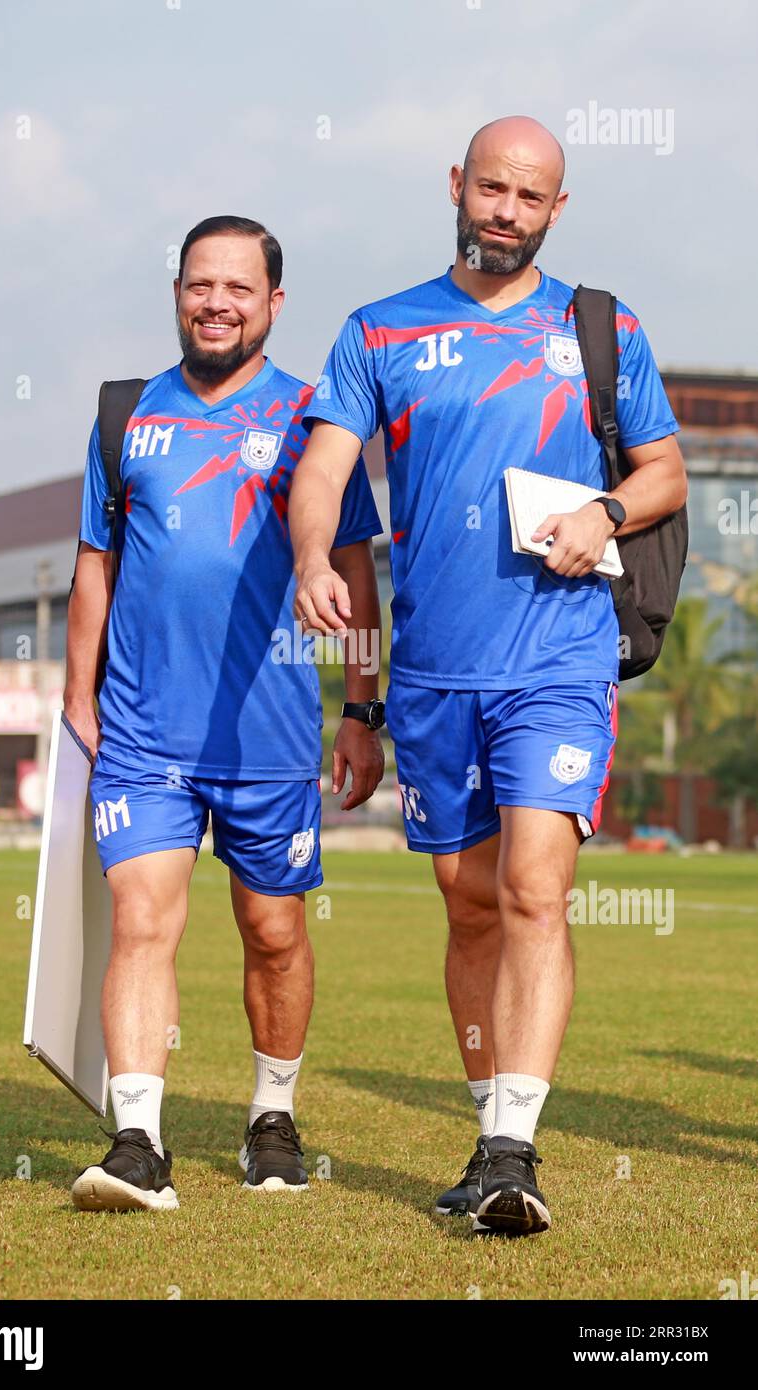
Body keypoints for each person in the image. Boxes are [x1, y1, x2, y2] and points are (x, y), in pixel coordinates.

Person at [289, 117, 687, 1234]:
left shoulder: (597, 328)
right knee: (466, 905)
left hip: (557, 660)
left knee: (528, 890)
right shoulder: (379, 330)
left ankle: (512, 1148)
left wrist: (602, 508)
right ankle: (487, 1134)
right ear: (455, 184)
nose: (505, 210)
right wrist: (316, 558)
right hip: (429, 673)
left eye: (529, 196)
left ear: (556, 209)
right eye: (490, 188)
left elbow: (661, 471)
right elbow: (322, 468)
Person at [64, 215, 384, 1211]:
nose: (216, 302)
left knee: (273, 931)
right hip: (144, 729)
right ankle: (136, 1141)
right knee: (141, 921)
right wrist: (77, 696)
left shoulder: (313, 418)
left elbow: (355, 572)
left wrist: (361, 707)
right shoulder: (127, 414)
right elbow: (95, 565)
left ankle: (270, 1117)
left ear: (272, 303)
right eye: (199, 284)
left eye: (238, 288)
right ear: (177, 294)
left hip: (269, 735)